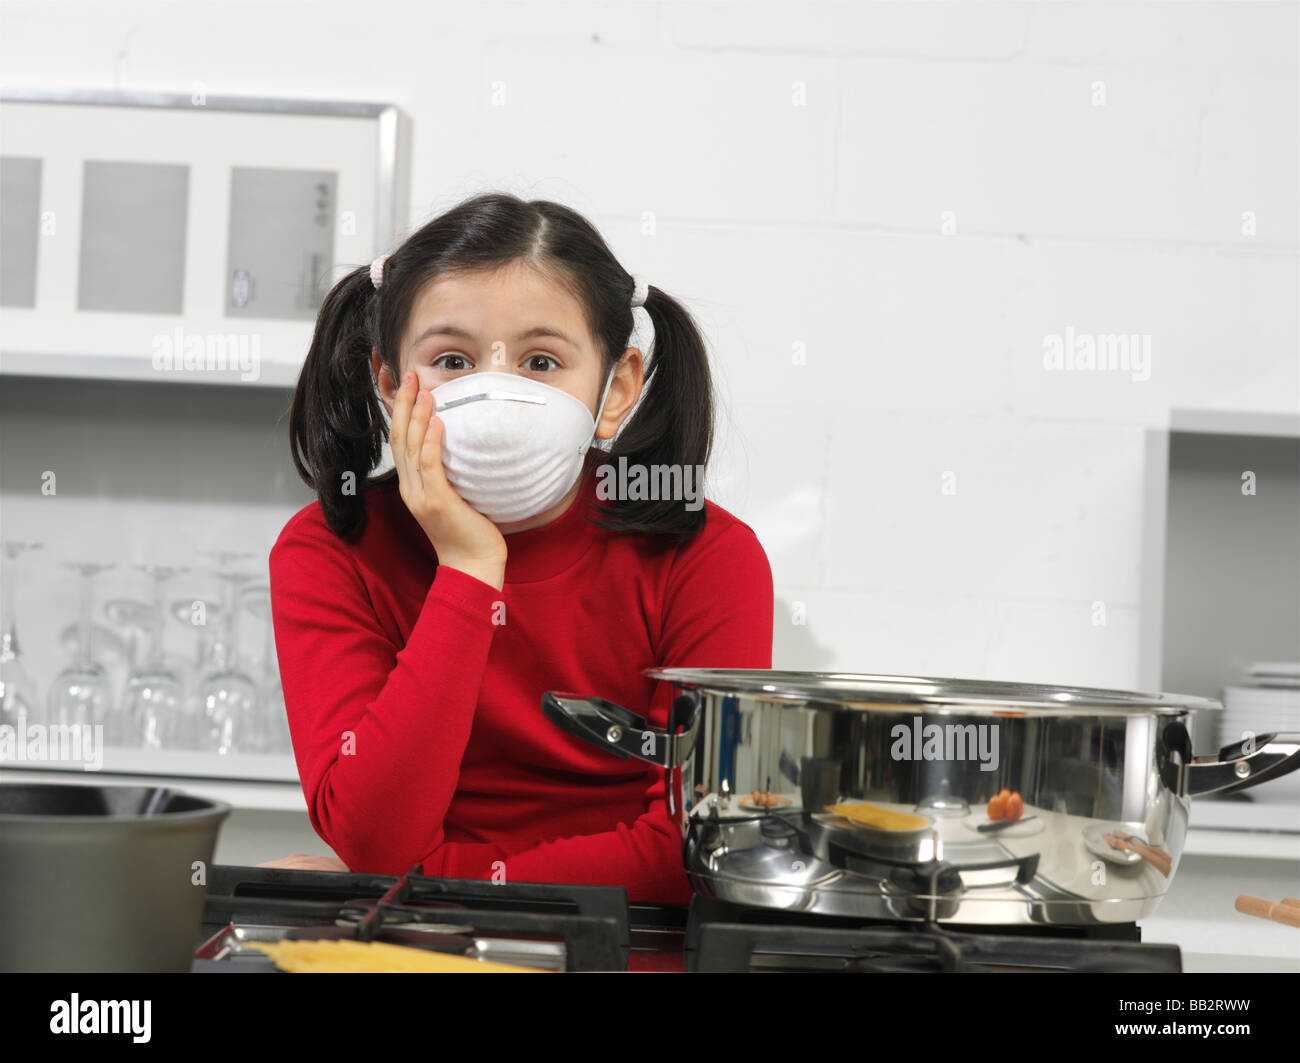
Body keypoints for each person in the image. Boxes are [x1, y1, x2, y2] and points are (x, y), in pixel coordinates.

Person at [262, 192, 773, 905]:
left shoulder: (708, 556)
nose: (496, 393)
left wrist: (417, 885)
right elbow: (374, 834)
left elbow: (700, 842)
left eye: (540, 360)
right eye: (450, 359)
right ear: (388, 382)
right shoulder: (328, 550)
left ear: (616, 388)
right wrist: (469, 570)